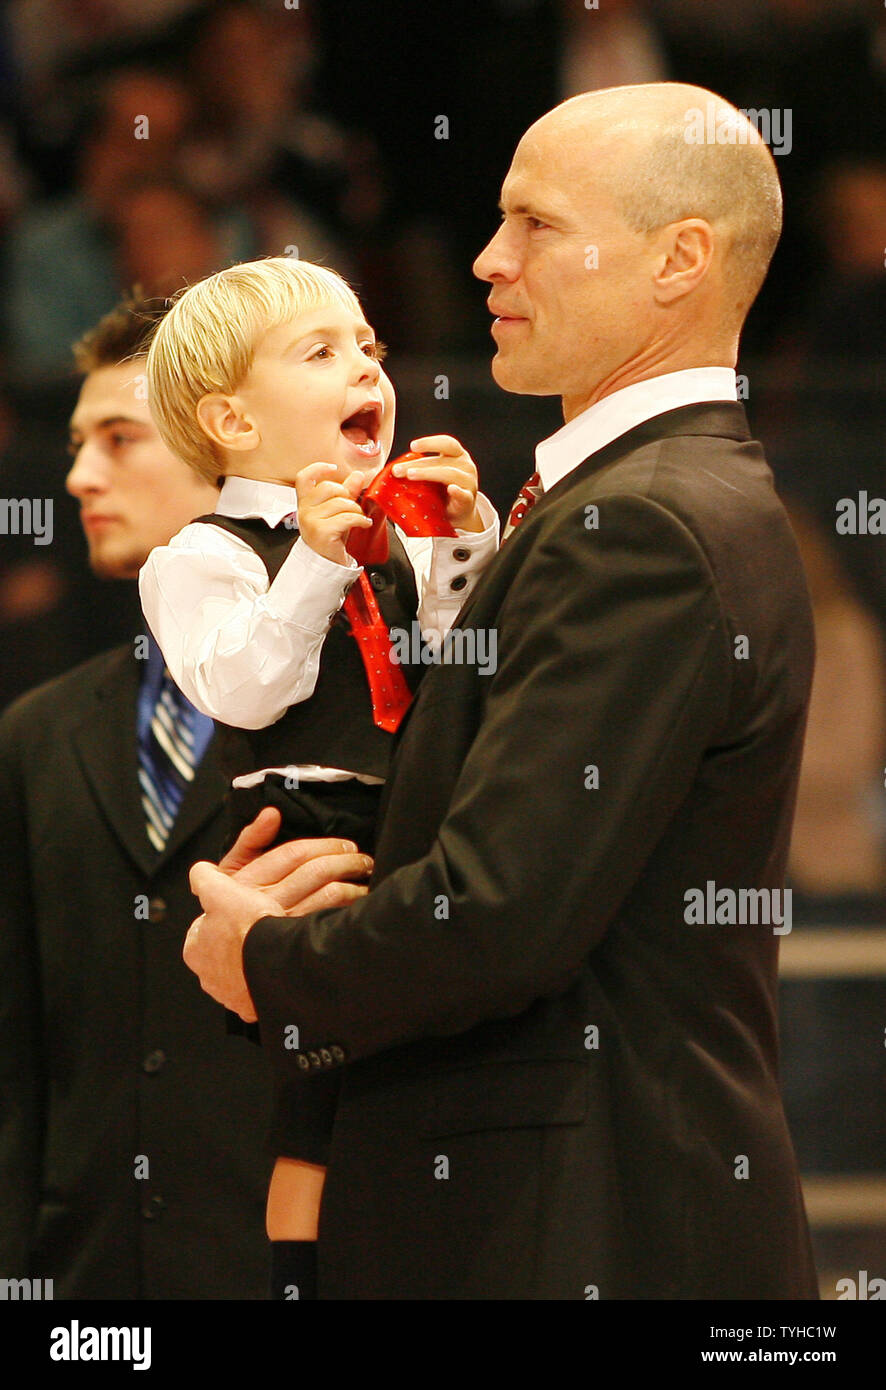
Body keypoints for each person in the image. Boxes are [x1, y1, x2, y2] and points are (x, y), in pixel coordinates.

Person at [184, 83, 820, 1299]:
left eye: (533, 224)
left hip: (577, 1230)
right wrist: (336, 853)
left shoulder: (640, 518)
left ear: (679, 259)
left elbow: (501, 914)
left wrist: (267, 958)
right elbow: (544, 856)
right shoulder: (656, 498)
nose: (486, 260)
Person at [138, 255, 498, 1297]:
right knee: (321, 1086)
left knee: (419, 1077)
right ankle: (302, 1276)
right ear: (233, 422)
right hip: (305, 828)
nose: (365, 372)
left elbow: (460, 666)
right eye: (322, 352)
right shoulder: (202, 552)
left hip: (422, 814)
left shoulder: (388, 533)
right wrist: (318, 560)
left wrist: (467, 541)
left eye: (371, 350)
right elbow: (241, 686)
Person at [0, 295, 366, 1299]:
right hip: (84, 1284)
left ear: (225, 435)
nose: (79, 474)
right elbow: (18, 1064)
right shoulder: (35, 733)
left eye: (118, 438)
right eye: (78, 442)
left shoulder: (376, 702)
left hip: (309, 1262)